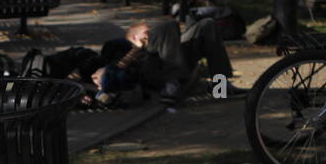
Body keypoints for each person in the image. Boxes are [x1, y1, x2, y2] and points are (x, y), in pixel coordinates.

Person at [97, 18, 246, 104]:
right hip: (148, 70)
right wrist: (135, 50)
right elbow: (109, 76)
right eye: (147, 32)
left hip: (170, 62)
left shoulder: (161, 43)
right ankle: (173, 85)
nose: (150, 33)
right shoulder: (118, 45)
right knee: (168, 26)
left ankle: (220, 86)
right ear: (134, 37)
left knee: (207, 24)